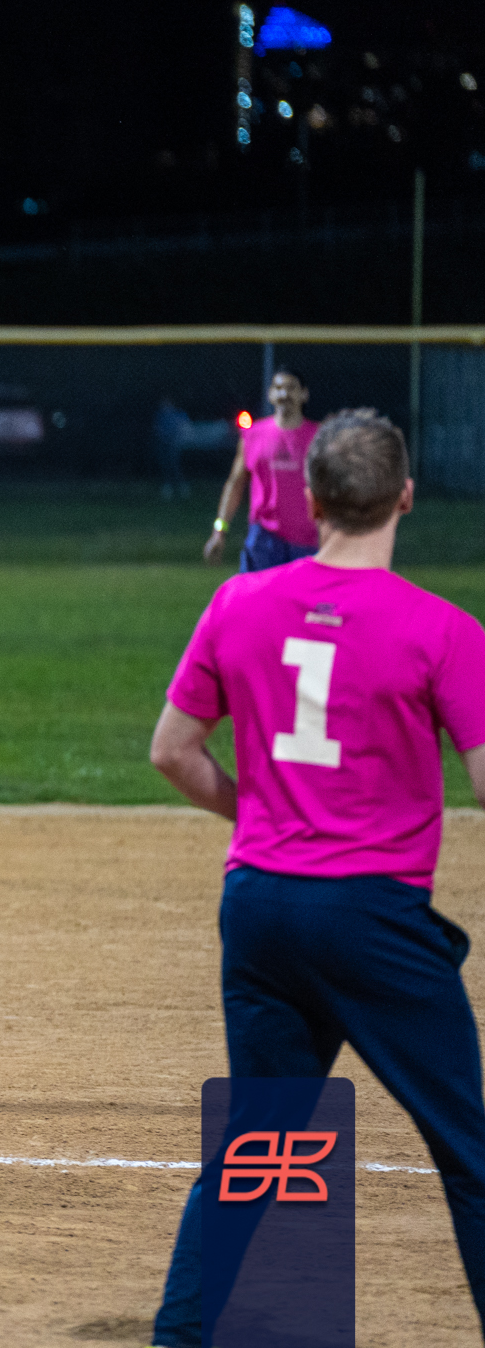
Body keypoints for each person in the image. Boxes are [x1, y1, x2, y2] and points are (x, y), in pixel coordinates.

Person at [147, 410, 485, 1345]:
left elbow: (172, 752)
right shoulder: (445, 631)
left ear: (308, 499)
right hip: (371, 917)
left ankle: (178, 1337)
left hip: (257, 904)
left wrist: (261, 815)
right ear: (404, 499)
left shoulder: (235, 605)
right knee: (469, 1154)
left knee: (258, 1147)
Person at [203, 369, 321, 572]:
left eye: (291, 388)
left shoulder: (320, 437)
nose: (284, 394)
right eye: (279, 388)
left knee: (305, 604)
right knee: (256, 603)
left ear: (304, 394)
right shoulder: (254, 436)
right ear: (270, 394)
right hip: (264, 540)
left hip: (308, 541)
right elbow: (235, 483)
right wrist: (219, 532)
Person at [153, 397, 194, 501]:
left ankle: (182, 487)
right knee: (165, 464)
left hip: (175, 443)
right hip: (163, 443)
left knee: (175, 465)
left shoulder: (178, 414)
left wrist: (177, 438)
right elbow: (157, 428)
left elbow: (184, 427)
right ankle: (168, 487)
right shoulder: (160, 415)